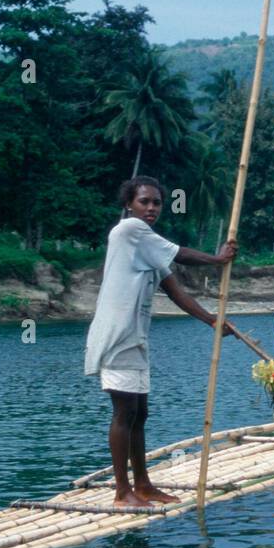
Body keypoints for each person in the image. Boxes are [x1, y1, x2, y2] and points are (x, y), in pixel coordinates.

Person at [84, 175, 240, 508]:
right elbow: (181, 254)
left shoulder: (149, 246)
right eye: (144, 201)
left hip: (136, 338)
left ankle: (143, 485)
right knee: (124, 412)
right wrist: (219, 259)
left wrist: (211, 320)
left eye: (156, 203)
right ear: (129, 204)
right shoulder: (128, 231)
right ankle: (121, 492)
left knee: (140, 412)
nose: (151, 208)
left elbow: (175, 291)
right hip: (116, 335)